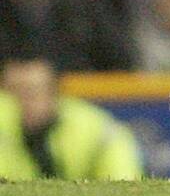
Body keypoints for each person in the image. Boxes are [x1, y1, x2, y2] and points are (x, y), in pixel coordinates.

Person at [0, 54, 142, 181]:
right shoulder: (4, 127)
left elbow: (123, 181)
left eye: (33, 92)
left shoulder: (90, 125)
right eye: (14, 92)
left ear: (53, 92)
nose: (25, 101)